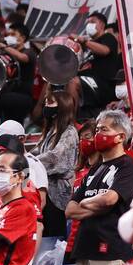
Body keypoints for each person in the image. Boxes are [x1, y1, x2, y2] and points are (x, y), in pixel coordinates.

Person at [64, 110, 133, 265]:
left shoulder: (128, 167)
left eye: (104, 130)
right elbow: (70, 210)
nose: (98, 135)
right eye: (97, 130)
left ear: (120, 137)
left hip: (110, 250)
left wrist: (85, 203)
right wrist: (97, 207)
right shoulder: (94, 170)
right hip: (84, 249)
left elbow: (110, 199)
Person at [32, 91, 79, 237]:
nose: (46, 106)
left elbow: (55, 158)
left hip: (58, 194)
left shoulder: (70, 132)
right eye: (46, 103)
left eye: (50, 103)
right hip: (43, 188)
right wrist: (23, 158)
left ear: (63, 106)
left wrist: (31, 164)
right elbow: (36, 150)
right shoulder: (50, 130)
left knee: (54, 234)